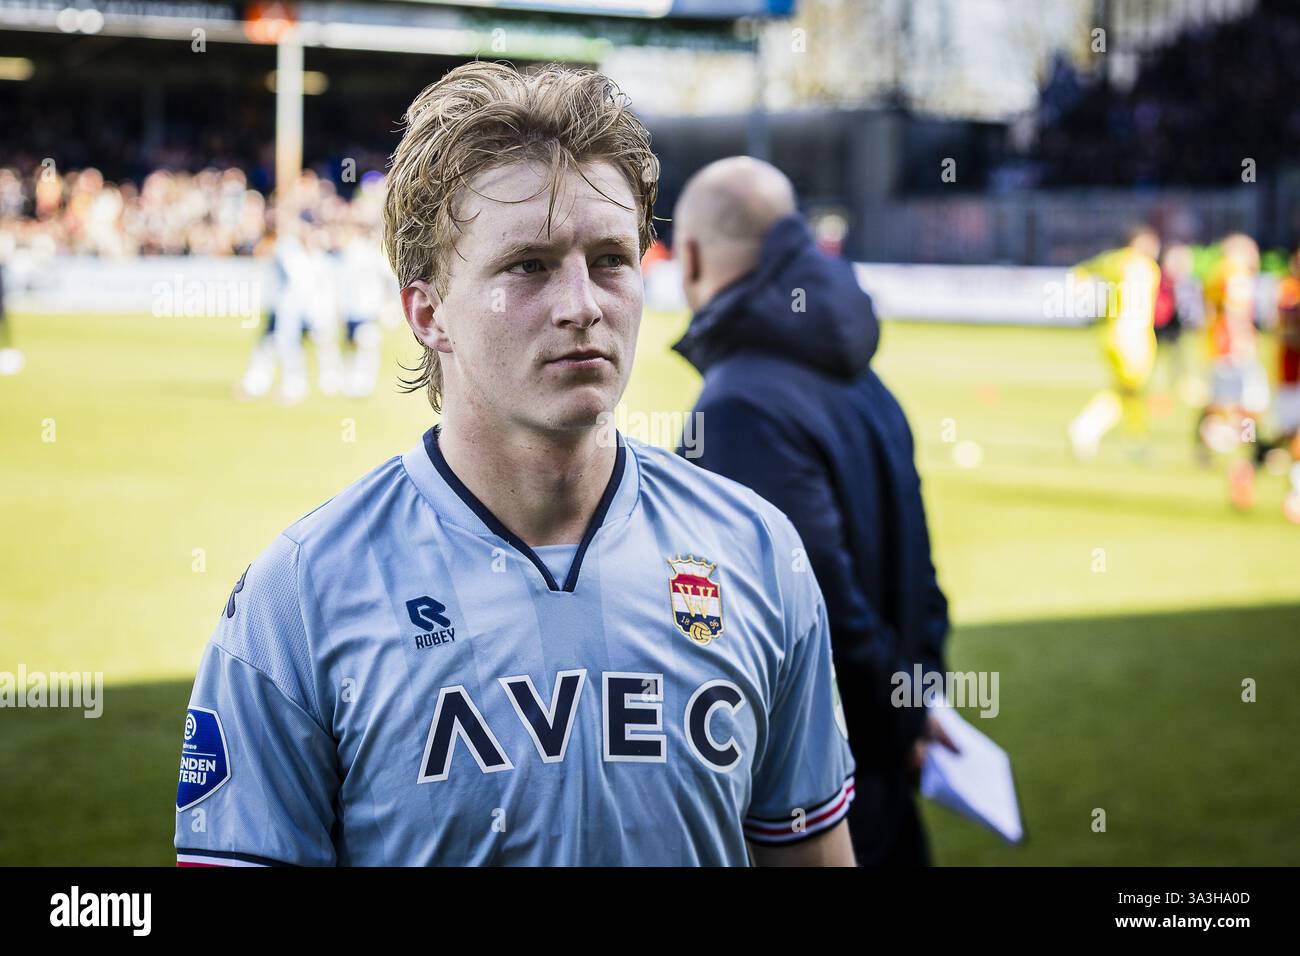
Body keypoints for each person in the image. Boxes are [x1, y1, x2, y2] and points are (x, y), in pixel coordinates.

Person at [174, 62, 856, 867]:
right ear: (428, 313)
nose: (582, 304)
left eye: (610, 259)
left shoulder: (756, 551)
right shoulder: (298, 598)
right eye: (528, 266)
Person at [670, 156, 954, 866]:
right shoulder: (862, 377)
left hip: (814, 800)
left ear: (693, 256)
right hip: (885, 770)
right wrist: (914, 702)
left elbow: (816, 602)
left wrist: (897, 718)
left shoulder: (737, 405)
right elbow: (921, 571)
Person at [1067, 225, 1162, 460]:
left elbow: (1082, 272)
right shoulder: (1135, 264)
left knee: (1128, 391)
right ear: (1136, 242)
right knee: (1131, 391)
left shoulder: (1119, 262)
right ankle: (1089, 429)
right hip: (1130, 338)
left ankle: (1135, 439)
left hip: (1118, 335)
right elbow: (1082, 273)